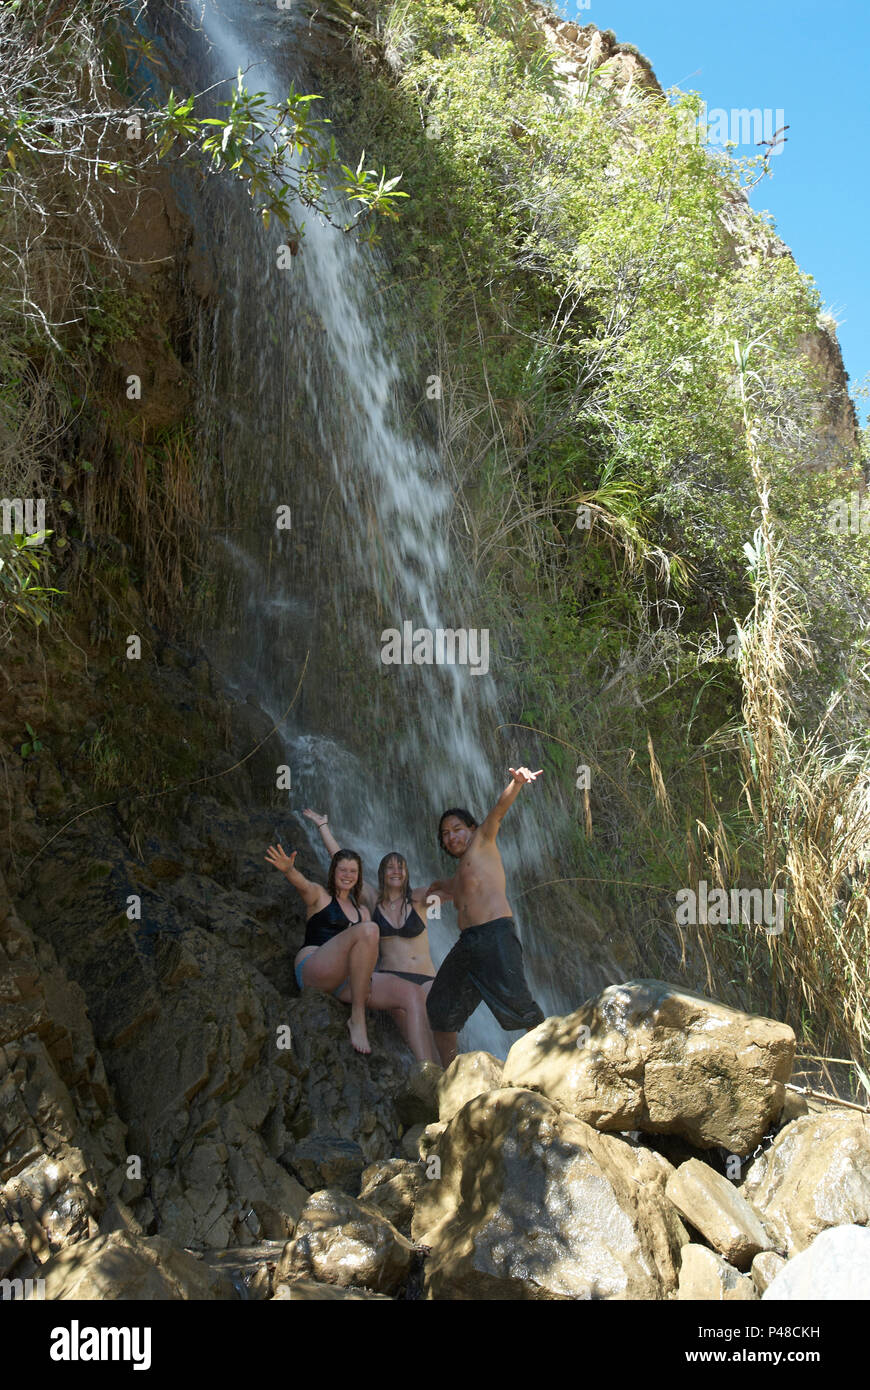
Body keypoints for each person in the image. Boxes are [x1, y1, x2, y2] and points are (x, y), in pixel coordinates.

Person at [264, 842, 439, 1062]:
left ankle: (429, 1070)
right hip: (314, 969)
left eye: (353, 871)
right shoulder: (319, 896)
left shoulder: (362, 911)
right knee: (368, 930)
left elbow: (370, 952)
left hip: (347, 982)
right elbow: (303, 885)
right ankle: (357, 1018)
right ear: (333, 872)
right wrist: (290, 870)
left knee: (412, 993)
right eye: (343, 870)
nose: (348, 875)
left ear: (359, 876)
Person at [424, 767, 546, 1067]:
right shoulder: (463, 869)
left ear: (472, 827)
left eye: (456, 829)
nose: (451, 837)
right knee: (440, 1008)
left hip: (495, 936)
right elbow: (455, 888)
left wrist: (516, 784)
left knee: (521, 1006)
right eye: (445, 834)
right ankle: (453, 1073)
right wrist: (439, 886)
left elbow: (498, 812)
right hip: (468, 944)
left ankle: (551, 1062)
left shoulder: (483, 840)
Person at [302, 810, 437, 1054]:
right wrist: (323, 827)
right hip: (390, 976)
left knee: (440, 1026)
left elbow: (448, 892)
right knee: (415, 1029)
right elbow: (342, 863)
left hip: (424, 977)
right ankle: (428, 1073)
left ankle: (443, 1075)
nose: (395, 870)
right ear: (381, 874)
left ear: (407, 873)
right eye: (389, 867)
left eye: (400, 867)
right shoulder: (372, 899)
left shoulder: (417, 897)